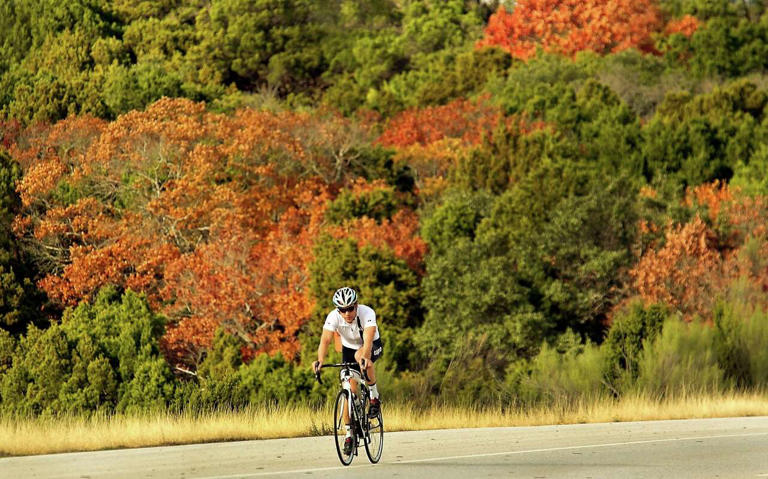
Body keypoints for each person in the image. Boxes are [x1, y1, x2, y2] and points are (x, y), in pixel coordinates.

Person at [313, 286, 383, 455]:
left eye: (350, 308)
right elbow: (325, 340)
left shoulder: (367, 313)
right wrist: (320, 360)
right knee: (348, 390)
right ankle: (349, 434)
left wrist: (364, 357)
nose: (347, 314)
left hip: (371, 345)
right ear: (338, 310)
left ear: (356, 305)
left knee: (361, 357)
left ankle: (374, 397)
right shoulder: (333, 317)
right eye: (342, 310)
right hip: (349, 349)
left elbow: (368, 339)